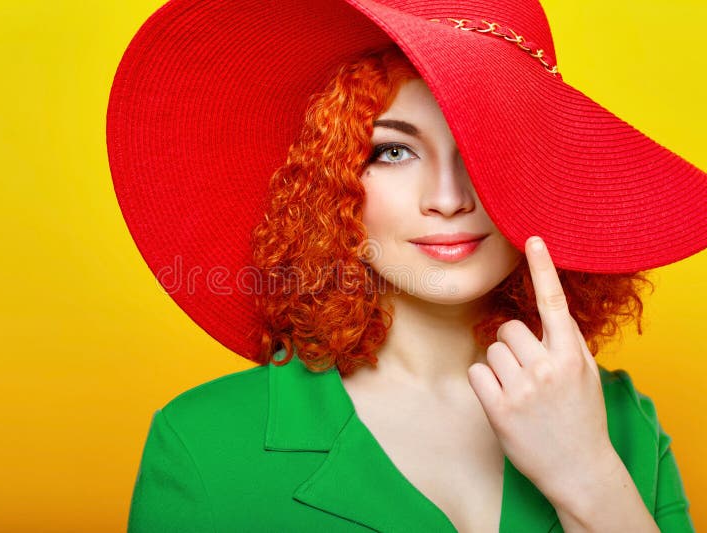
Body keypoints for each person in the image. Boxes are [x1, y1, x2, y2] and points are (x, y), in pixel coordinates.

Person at [106, 1, 706, 531]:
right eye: (393, 151)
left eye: (484, 148)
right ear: (330, 183)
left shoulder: (621, 421)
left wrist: (589, 477)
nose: (447, 198)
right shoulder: (205, 444)